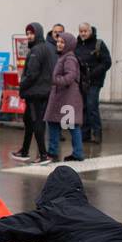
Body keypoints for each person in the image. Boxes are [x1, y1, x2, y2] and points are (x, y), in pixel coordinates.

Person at [12, 22, 55, 163]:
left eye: (31, 33)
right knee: (29, 121)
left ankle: (43, 155)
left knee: (36, 122)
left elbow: (32, 74)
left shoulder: (36, 50)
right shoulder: (45, 48)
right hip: (41, 91)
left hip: (35, 93)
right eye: (27, 33)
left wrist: (22, 84)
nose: (29, 36)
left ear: (38, 33)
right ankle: (24, 151)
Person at [45, 31, 84, 162]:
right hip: (63, 97)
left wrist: (56, 80)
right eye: (58, 41)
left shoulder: (69, 58)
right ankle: (55, 151)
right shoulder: (64, 56)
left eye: (62, 42)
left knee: (71, 125)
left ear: (69, 44)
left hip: (67, 97)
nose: (59, 44)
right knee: (56, 123)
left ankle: (74, 153)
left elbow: (70, 76)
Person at [75, 23, 111, 144]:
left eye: (85, 31)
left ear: (90, 31)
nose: (83, 33)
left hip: (94, 81)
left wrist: (94, 72)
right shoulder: (77, 44)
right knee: (83, 107)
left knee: (92, 106)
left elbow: (107, 62)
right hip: (81, 81)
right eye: (81, 31)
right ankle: (85, 134)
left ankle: (97, 133)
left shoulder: (98, 44)